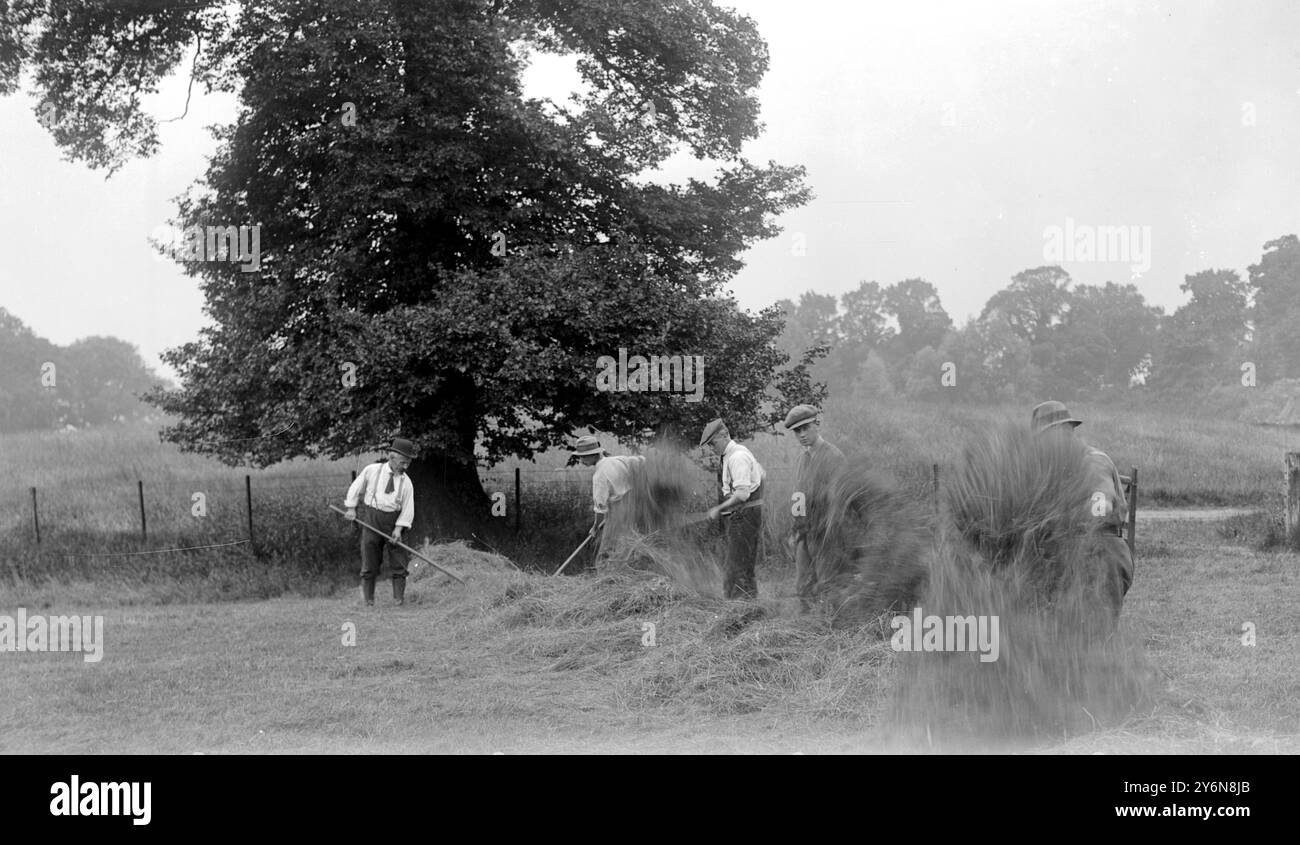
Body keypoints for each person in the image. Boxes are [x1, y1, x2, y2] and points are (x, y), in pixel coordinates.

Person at [1031, 401, 1134, 618]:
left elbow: (1098, 512)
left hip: (1100, 555)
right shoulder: (1065, 464)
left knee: (1094, 635)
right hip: (1088, 554)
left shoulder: (1089, 463)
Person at [343, 438, 418, 607]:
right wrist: (351, 508)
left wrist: (399, 529)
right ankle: (368, 601)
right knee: (369, 562)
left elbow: (408, 509)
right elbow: (355, 487)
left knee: (399, 563)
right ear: (392, 457)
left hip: (395, 523)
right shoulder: (372, 471)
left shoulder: (406, 483)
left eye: (408, 463)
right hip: (372, 520)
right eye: (403, 462)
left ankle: (398, 600)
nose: (405, 467)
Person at [784, 404, 845, 611]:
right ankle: (808, 628)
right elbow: (798, 495)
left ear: (817, 425)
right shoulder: (802, 459)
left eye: (805, 428)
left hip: (826, 530)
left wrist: (829, 529)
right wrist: (795, 530)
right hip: (805, 531)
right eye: (797, 431)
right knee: (803, 584)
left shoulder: (833, 456)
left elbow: (840, 497)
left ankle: (835, 629)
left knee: (828, 582)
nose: (801, 435)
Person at [701, 418, 766, 600]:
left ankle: (738, 608)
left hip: (745, 516)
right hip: (742, 515)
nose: (712, 448)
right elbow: (762, 472)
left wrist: (719, 508)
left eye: (713, 443)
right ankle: (750, 605)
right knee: (742, 565)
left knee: (736, 567)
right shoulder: (733, 455)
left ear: (724, 435)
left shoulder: (737, 456)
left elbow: (743, 494)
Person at [573, 434, 646, 560]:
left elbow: (600, 508)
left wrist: (595, 527)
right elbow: (641, 461)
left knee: (610, 546)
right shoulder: (618, 459)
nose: (581, 461)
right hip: (637, 503)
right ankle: (633, 564)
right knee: (633, 540)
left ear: (592, 455)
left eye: (583, 457)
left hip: (620, 510)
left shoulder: (599, 476)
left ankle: (612, 571)